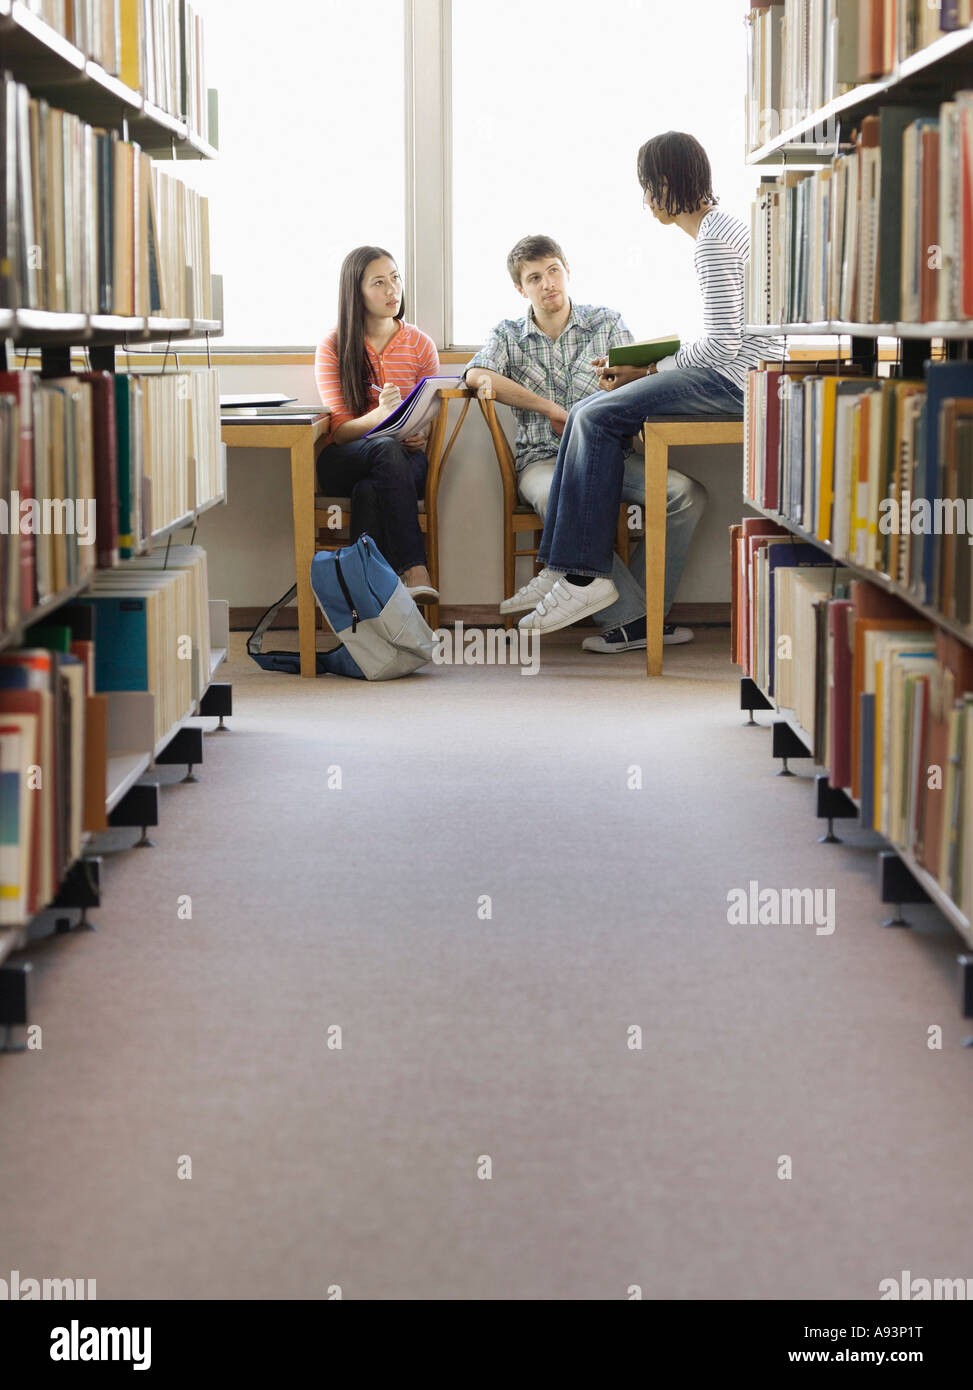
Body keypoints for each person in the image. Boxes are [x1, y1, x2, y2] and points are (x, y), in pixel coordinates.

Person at [518, 132, 785, 640]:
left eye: (646, 188)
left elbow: (722, 347)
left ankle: (581, 575)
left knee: (595, 414)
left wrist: (650, 371)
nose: (645, 201)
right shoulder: (726, 231)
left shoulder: (712, 242)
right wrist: (656, 364)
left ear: (665, 185)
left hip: (735, 382)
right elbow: (724, 335)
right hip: (739, 373)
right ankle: (566, 570)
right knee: (587, 412)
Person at [463, 234, 697, 652]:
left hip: (609, 457)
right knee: (561, 497)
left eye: (554, 270)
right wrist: (552, 410)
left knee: (685, 494)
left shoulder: (606, 323)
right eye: (535, 277)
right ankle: (631, 621)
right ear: (521, 288)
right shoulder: (509, 334)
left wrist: (625, 381)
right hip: (542, 462)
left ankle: (642, 615)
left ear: (567, 272)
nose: (548, 282)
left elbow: (641, 379)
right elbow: (476, 377)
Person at [314, 246, 440, 601]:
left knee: (370, 491)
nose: (392, 290)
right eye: (379, 283)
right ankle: (414, 568)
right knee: (383, 448)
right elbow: (339, 432)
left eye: (396, 278)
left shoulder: (420, 345)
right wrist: (380, 418)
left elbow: (430, 415)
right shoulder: (334, 346)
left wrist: (421, 432)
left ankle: (364, 600)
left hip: (404, 463)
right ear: (357, 292)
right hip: (346, 459)